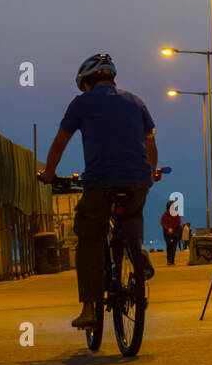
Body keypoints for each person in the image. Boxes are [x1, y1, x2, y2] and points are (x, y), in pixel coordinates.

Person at [38, 54, 156, 329]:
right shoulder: (136, 101)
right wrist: (149, 174)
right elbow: (151, 145)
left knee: (90, 238)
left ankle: (90, 308)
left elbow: (59, 143)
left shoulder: (81, 103)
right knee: (131, 217)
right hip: (138, 180)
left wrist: (49, 175)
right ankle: (137, 252)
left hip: (100, 182)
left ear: (86, 83)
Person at [160, 200, 181, 266]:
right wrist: (170, 229)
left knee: (170, 246)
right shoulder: (167, 215)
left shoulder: (166, 214)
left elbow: (163, 223)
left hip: (170, 232)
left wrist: (169, 229)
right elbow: (163, 223)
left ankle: (170, 260)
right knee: (172, 246)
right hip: (170, 232)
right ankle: (170, 261)